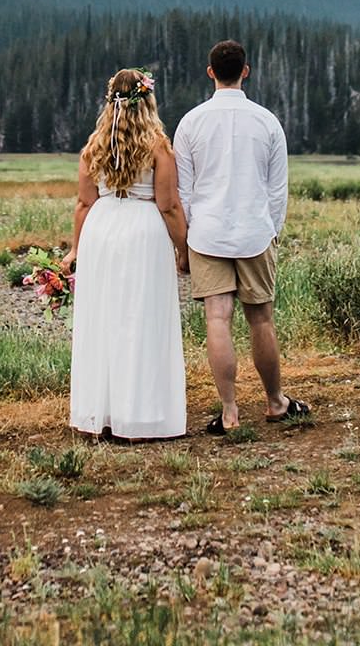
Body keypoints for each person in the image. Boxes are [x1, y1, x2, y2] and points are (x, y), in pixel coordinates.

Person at [172, 39, 311, 435]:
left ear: (211, 71)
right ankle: (274, 401)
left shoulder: (191, 123)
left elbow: (183, 192)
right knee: (261, 320)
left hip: (206, 234)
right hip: (254, 232)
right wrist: (273, 232)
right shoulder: (267, 121)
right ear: (245, 71)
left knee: (217, 319)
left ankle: (230, 410)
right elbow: (277, 189)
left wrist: (184, 244)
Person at [63, 68, 188, 440]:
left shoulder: (95, 145)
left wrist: (76, 249)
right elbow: (168, 205)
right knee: (140, 320)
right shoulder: (157, 146)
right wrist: (183, 248)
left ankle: (98, 414)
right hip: (143, 232)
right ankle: (139, 417)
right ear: (148, 100)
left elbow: (85, 203)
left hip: (102, 230)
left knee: (102, 319)